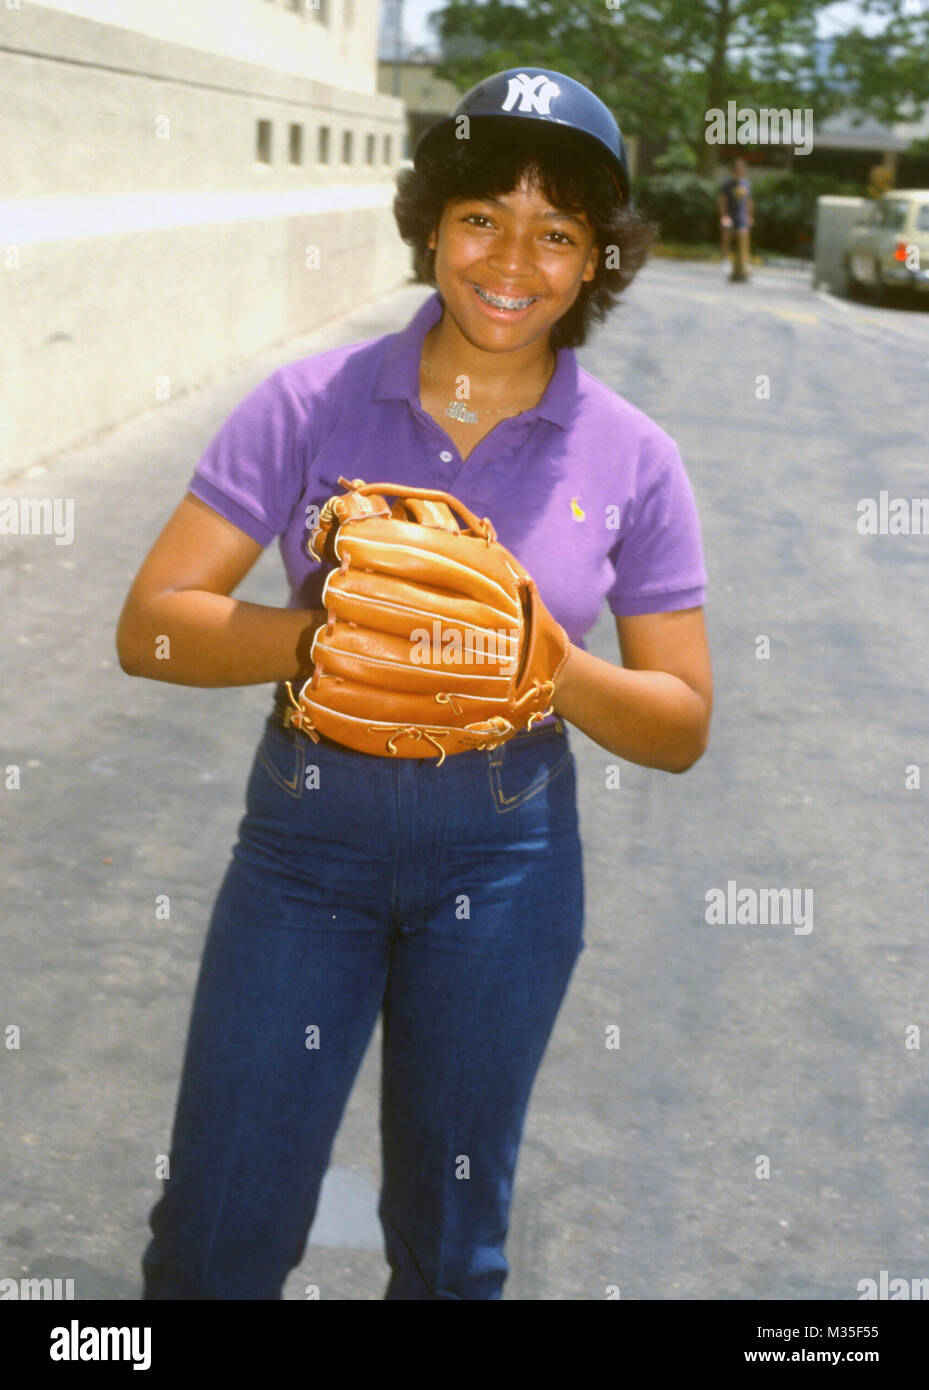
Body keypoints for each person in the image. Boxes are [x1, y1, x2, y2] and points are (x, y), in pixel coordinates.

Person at [117, 66, 713, 1301]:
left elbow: (679, 727)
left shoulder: (633, 456)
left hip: (505, 859)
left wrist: (543, 657)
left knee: (450, 1248)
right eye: (481, 214)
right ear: (431, 225)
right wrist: (333, 630)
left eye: (558, 231)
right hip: (305, 844)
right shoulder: (308, 402)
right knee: (218, 1230)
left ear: (598, 258)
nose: (512, 258)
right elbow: (152, 631)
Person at [718, 157, 754, 282]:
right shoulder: (727, 185)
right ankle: (725, 259)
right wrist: (724, 216)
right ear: (733, 170)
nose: (740, 170)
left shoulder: (746, 184)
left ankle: (745, 263)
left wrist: (750, 216)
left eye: (742, 168)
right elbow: (722, 201)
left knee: (744, 234)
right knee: (727, 231)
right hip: (730, 215)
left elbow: (749, 201)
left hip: (742, 216)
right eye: (738, 168)